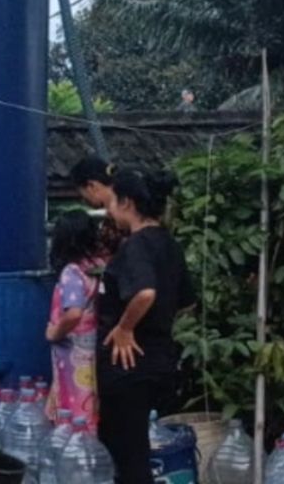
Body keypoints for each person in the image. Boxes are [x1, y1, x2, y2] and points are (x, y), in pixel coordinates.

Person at [97, 168, 196, 484]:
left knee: (128, 457)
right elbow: (187, 302)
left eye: (112, 202)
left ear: (127, 202)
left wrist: (126, 328)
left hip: (129, 367)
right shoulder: (169, 244)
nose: (109, 211)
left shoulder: (136, 245)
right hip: (158, 360)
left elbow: (145, 292)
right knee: (134, 451)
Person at [44, 210, 111, 427]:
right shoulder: (97, 267)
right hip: (94, 346)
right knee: (92, 401)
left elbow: (74, 313)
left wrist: (55, 332)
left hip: (73, 353)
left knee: (75, 408)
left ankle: (78, 444)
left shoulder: (71, 272)